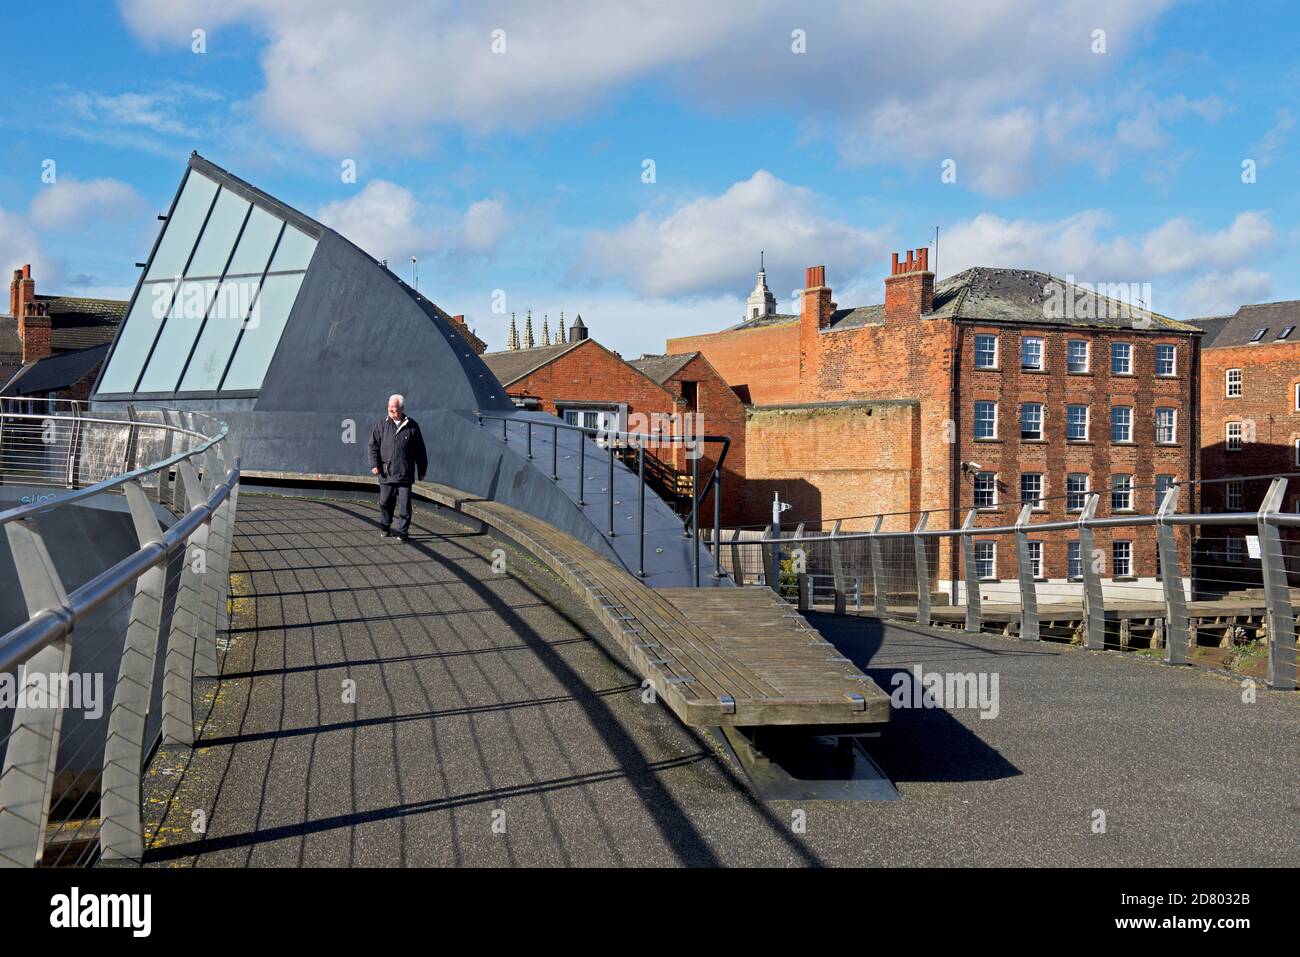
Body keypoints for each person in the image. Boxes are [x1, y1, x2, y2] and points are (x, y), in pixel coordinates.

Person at [367, 393, 427, 542]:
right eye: (389, 407)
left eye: (394, 408)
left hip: (405, 473)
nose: (391, 410)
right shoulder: (381, 425)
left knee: (405, 505)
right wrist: (374, 465)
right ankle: (385, 526)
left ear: (402, 408)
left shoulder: (412, 426)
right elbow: (372, 446)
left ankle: (402, 532)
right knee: (385, 502)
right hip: (386, 473)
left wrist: (422, 470)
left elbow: (420, 450)